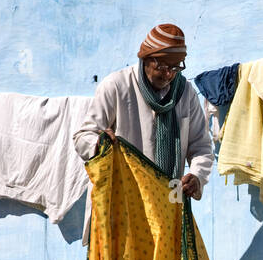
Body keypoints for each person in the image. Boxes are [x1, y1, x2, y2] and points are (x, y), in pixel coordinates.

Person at [73, 22, 213, 197]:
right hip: (123, 198)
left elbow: (201, 147)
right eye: (162, 66)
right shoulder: (117, 86)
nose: (168, 74)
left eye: (175, 68)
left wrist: (197, 176)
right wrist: (99, 144)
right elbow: (82, 136)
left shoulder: (186, 93)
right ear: (146, 58)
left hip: (169, 200)